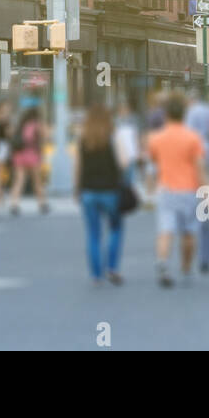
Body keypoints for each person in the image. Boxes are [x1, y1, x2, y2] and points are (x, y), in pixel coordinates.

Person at [146, 93, 207, 287]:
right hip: (189, 190)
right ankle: (186, 267)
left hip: (166, 189)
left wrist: (150, 185)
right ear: (184, 114)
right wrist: (205, 187)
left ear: (166, 115)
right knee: (189, 232)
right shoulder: (193, 137)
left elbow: (153, 163)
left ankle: (163, 263)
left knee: (165, 229)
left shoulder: (156, 138)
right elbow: (199, 166)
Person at [74, 105, 128, 286]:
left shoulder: (83, 139)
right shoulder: (113, 137)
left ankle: (96, 275)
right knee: (115, 229)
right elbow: (124, 162)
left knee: (93, 234)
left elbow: (78, 167)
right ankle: (112, 268)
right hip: (110, 191)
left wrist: (77, 189)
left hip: (88, 191)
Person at [8, 107, 49, 216]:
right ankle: (42, 203)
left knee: (19, 181)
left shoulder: (20, 125)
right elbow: (45, 137)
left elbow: (11, 136)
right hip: (32, 154)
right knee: (37, 181)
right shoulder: (37, 124)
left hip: (19, 155)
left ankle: (14, 204)